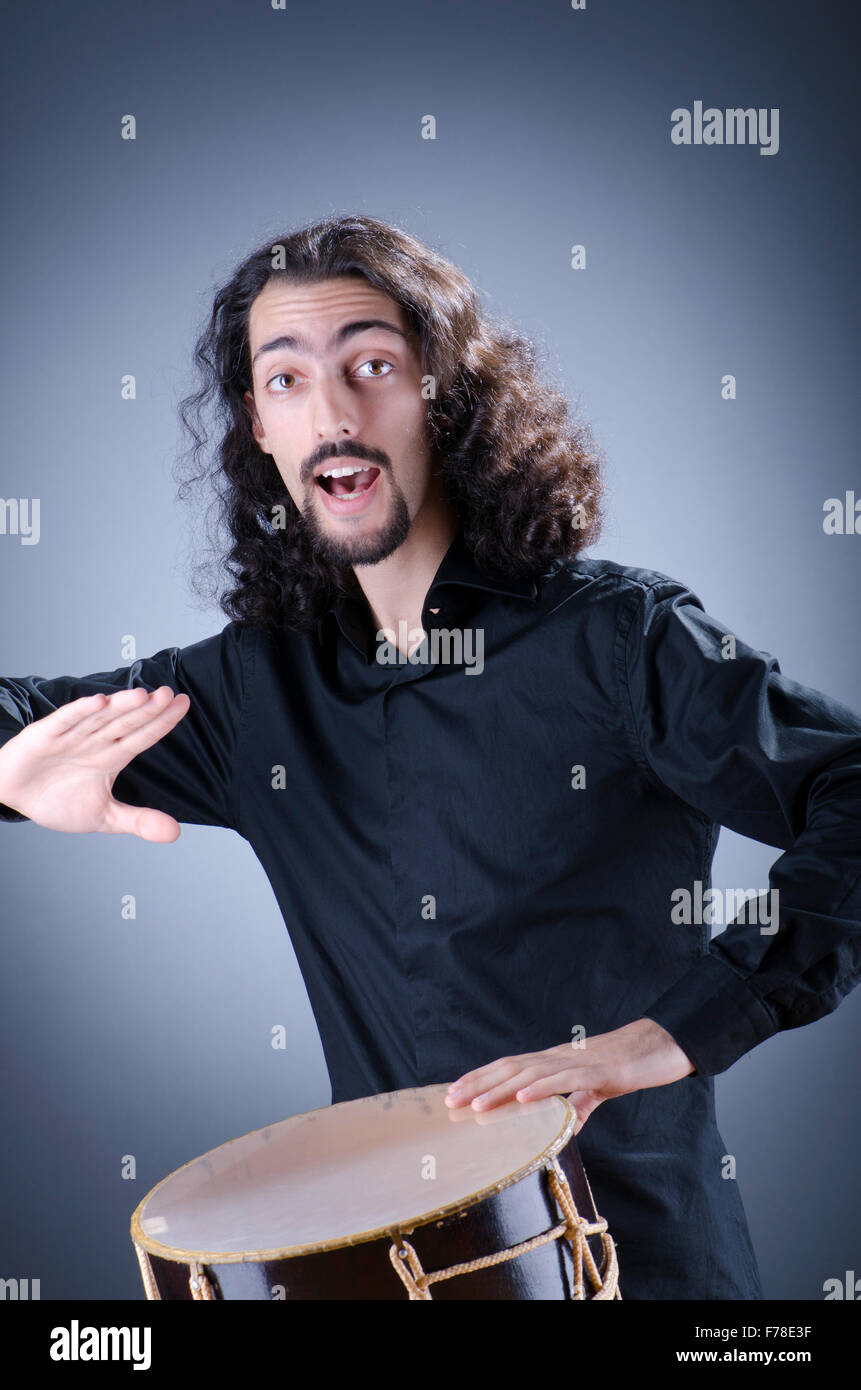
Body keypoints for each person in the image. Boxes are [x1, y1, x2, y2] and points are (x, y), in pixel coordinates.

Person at [1, 214, 860, 1300]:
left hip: (653, 1281)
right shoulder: (252, 692)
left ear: (447, 395)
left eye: (373, 366)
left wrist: (680, 1029)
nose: (332, 415)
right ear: (258, 432)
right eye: (285, 381)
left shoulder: (622, 637)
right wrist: (9, 771)